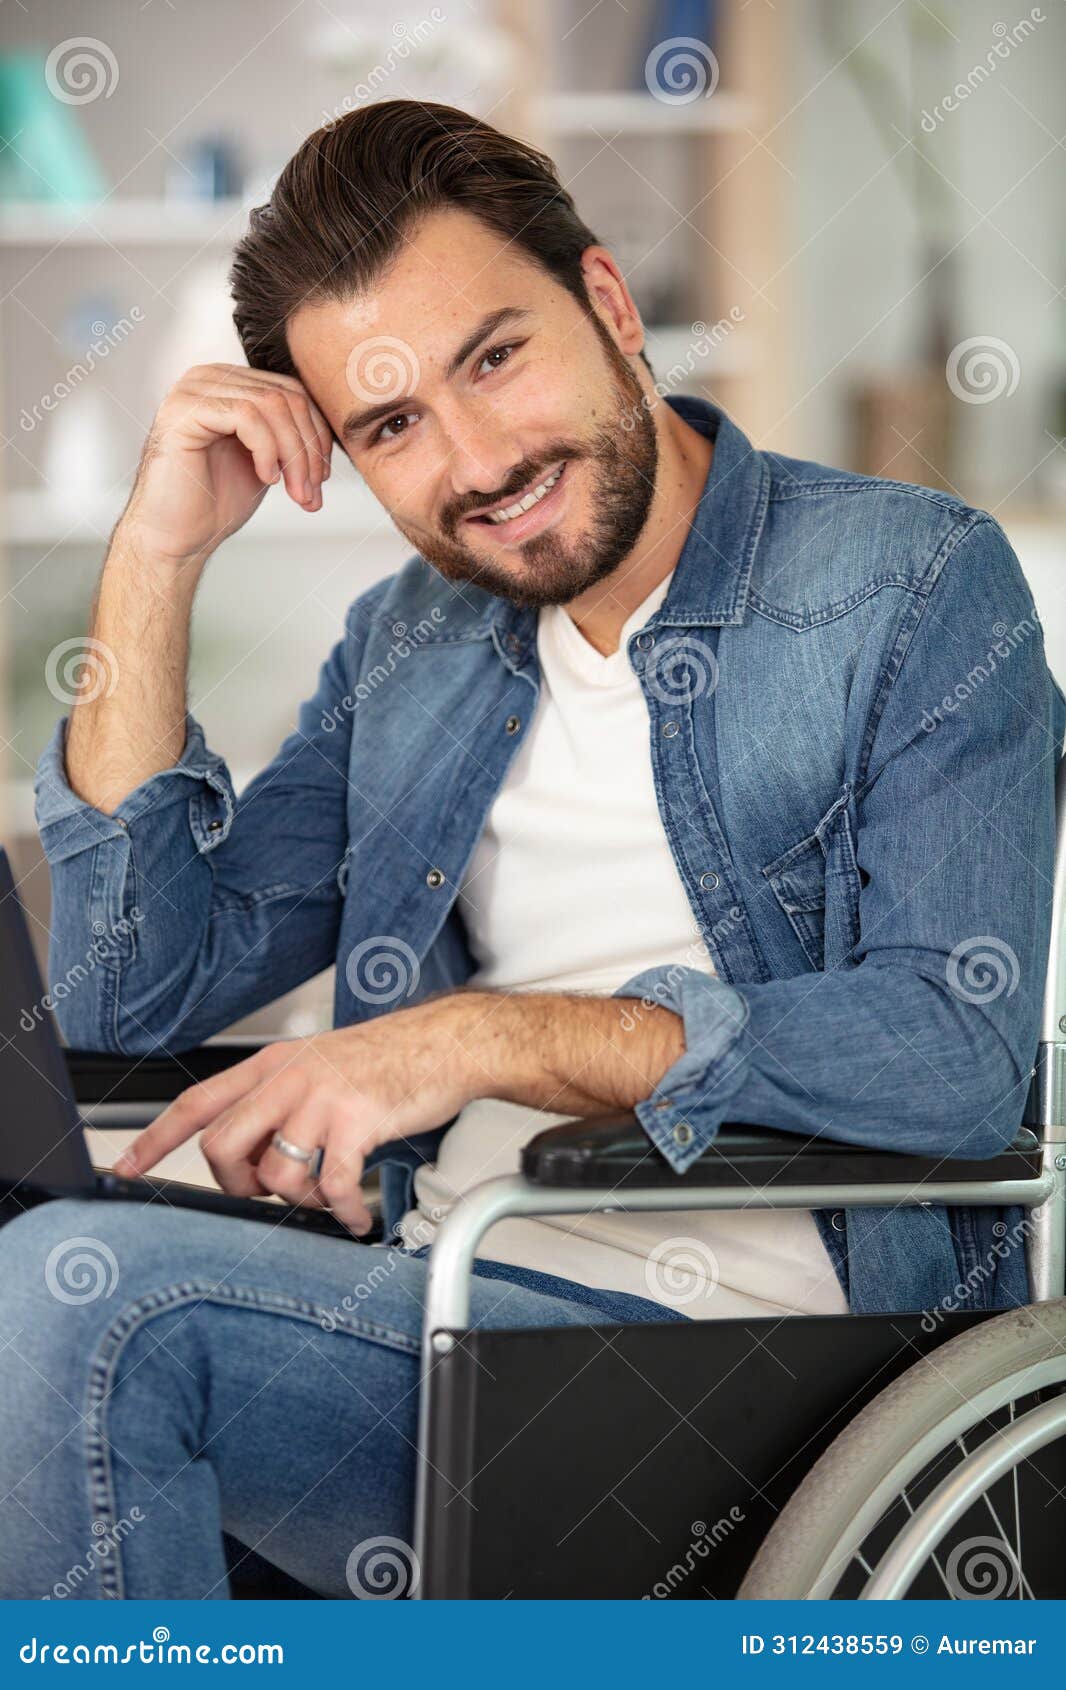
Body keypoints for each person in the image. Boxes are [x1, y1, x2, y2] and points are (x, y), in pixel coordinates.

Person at [1, 100, 1061, 1599]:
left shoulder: (912, 581)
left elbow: (954, 1050)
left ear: (608, 303)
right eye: (391, 425)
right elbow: (123, 1000)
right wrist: (157, 556)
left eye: (492, 357)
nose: (478, 459)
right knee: (36, 1254)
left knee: (72, 1305)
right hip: (440, 1309)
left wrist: (483, 1039)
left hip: (761, 1386)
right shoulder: (408, 644)